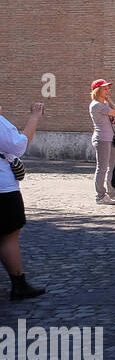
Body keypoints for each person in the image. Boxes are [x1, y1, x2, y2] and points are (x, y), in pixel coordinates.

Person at [1, 100, 46, 301]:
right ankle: (19, 284)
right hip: (3, 189)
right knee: (9, 236)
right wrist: (35, 116)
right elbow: (18, 146)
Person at [89, 79, 115, 204]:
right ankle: (100, 196)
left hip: (110, 139)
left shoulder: (104, 105)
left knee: (113, 166)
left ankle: (112, 193)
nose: (108, 91)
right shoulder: (97, 105)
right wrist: (109, 100)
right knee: (102, 168)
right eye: (105, 88)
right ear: (97, 90)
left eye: (108, 88)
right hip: (101, 139)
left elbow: (113, 117)